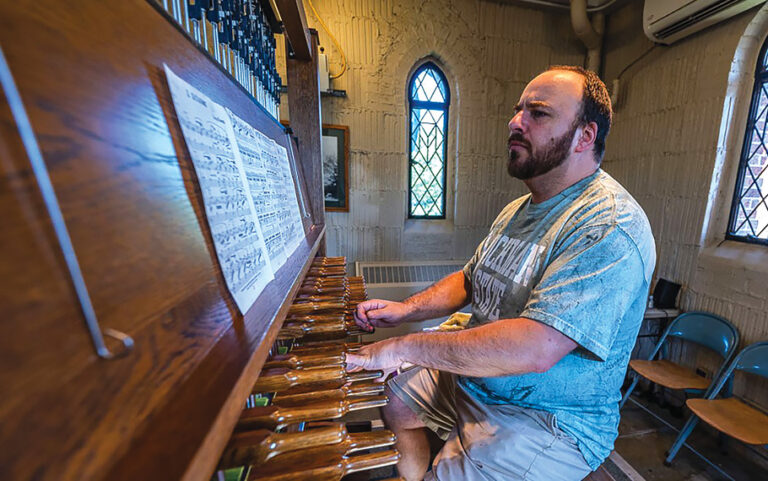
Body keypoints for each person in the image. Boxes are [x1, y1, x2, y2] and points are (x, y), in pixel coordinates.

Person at [346, 66, 656, 481]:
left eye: (538, 113)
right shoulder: (517, 209)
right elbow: (471, 280)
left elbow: (535, 347)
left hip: (548, 418)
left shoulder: (609, 225)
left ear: (585, 135)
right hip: (479, 380)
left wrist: (405, 347)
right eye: (517, 110)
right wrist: (405, 310)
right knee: (396, 399)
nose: (515, 122)